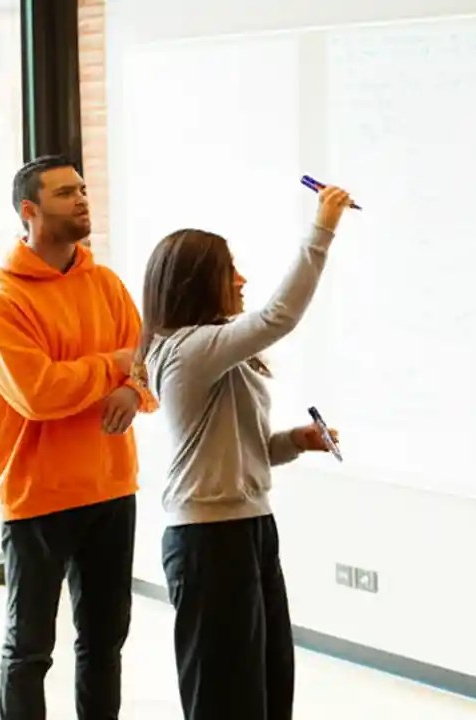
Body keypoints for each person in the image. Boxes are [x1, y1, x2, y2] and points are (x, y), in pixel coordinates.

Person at [133, 185, 354, 720]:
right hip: (209, 540)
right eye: (230, 270)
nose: (241, 280)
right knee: (225, 700)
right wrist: (322, 227)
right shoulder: (186, 351)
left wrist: (294, 443)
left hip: (251, 528)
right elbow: (281, 315)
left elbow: (246, 450)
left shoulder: (218, 350)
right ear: (197, 282)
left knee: (269, 688)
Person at [0, 155, 156, 720]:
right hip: (38, 496)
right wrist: (115, 366)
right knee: (29, 650)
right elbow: (39, 393)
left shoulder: (107, 283)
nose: (82, 199)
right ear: (29, 211)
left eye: (83, 189)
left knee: (104, 643)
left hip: (112, 488)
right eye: (66, 193)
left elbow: (150, 360)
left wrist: (132, 389)